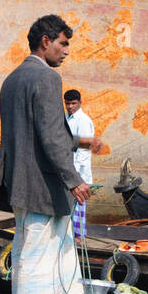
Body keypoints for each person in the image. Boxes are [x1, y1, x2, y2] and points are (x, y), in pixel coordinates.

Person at [0, 14, 91, 294]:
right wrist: (74, 179)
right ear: (46, 41)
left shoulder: (11, 79)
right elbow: (50, 136)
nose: (66, 51)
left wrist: (77, 144)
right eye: (63, 44)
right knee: (37, 253)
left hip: (17, 183)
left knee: (26, 249)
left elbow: (28, 133)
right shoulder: (47, 78)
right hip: (41, 186)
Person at [63, 89, 96, 238]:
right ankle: (68, 238)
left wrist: (74, 176)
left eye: (73, 103)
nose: (70, 107)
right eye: (67, 103)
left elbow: (83, 151)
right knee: (68, 208)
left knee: (78, 208)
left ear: (80, 103)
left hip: (78, 174)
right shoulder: (64, 118)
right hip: (67, 172)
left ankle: (79, 240)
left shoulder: (83, 121)